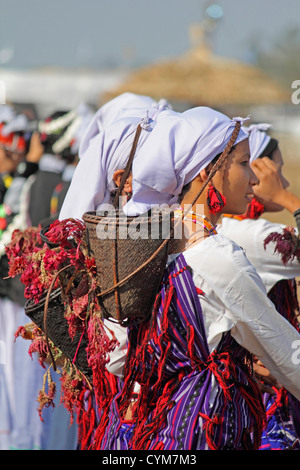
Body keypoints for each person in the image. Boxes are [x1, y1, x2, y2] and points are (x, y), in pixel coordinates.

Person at [59, 94, 300, 450]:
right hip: (202, 430)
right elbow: (286, 353)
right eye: (244, 164)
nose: (252, 180)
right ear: (207, 170)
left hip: (150, 434)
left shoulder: (144, 245)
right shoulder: (218, 255)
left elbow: (118, 356)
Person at [218, 123, 300, 450]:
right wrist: (286, 198)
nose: (286, 181)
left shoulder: (230, 226)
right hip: (265, 396)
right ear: (259, 171)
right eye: (278, 172)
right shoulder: (251, 235)